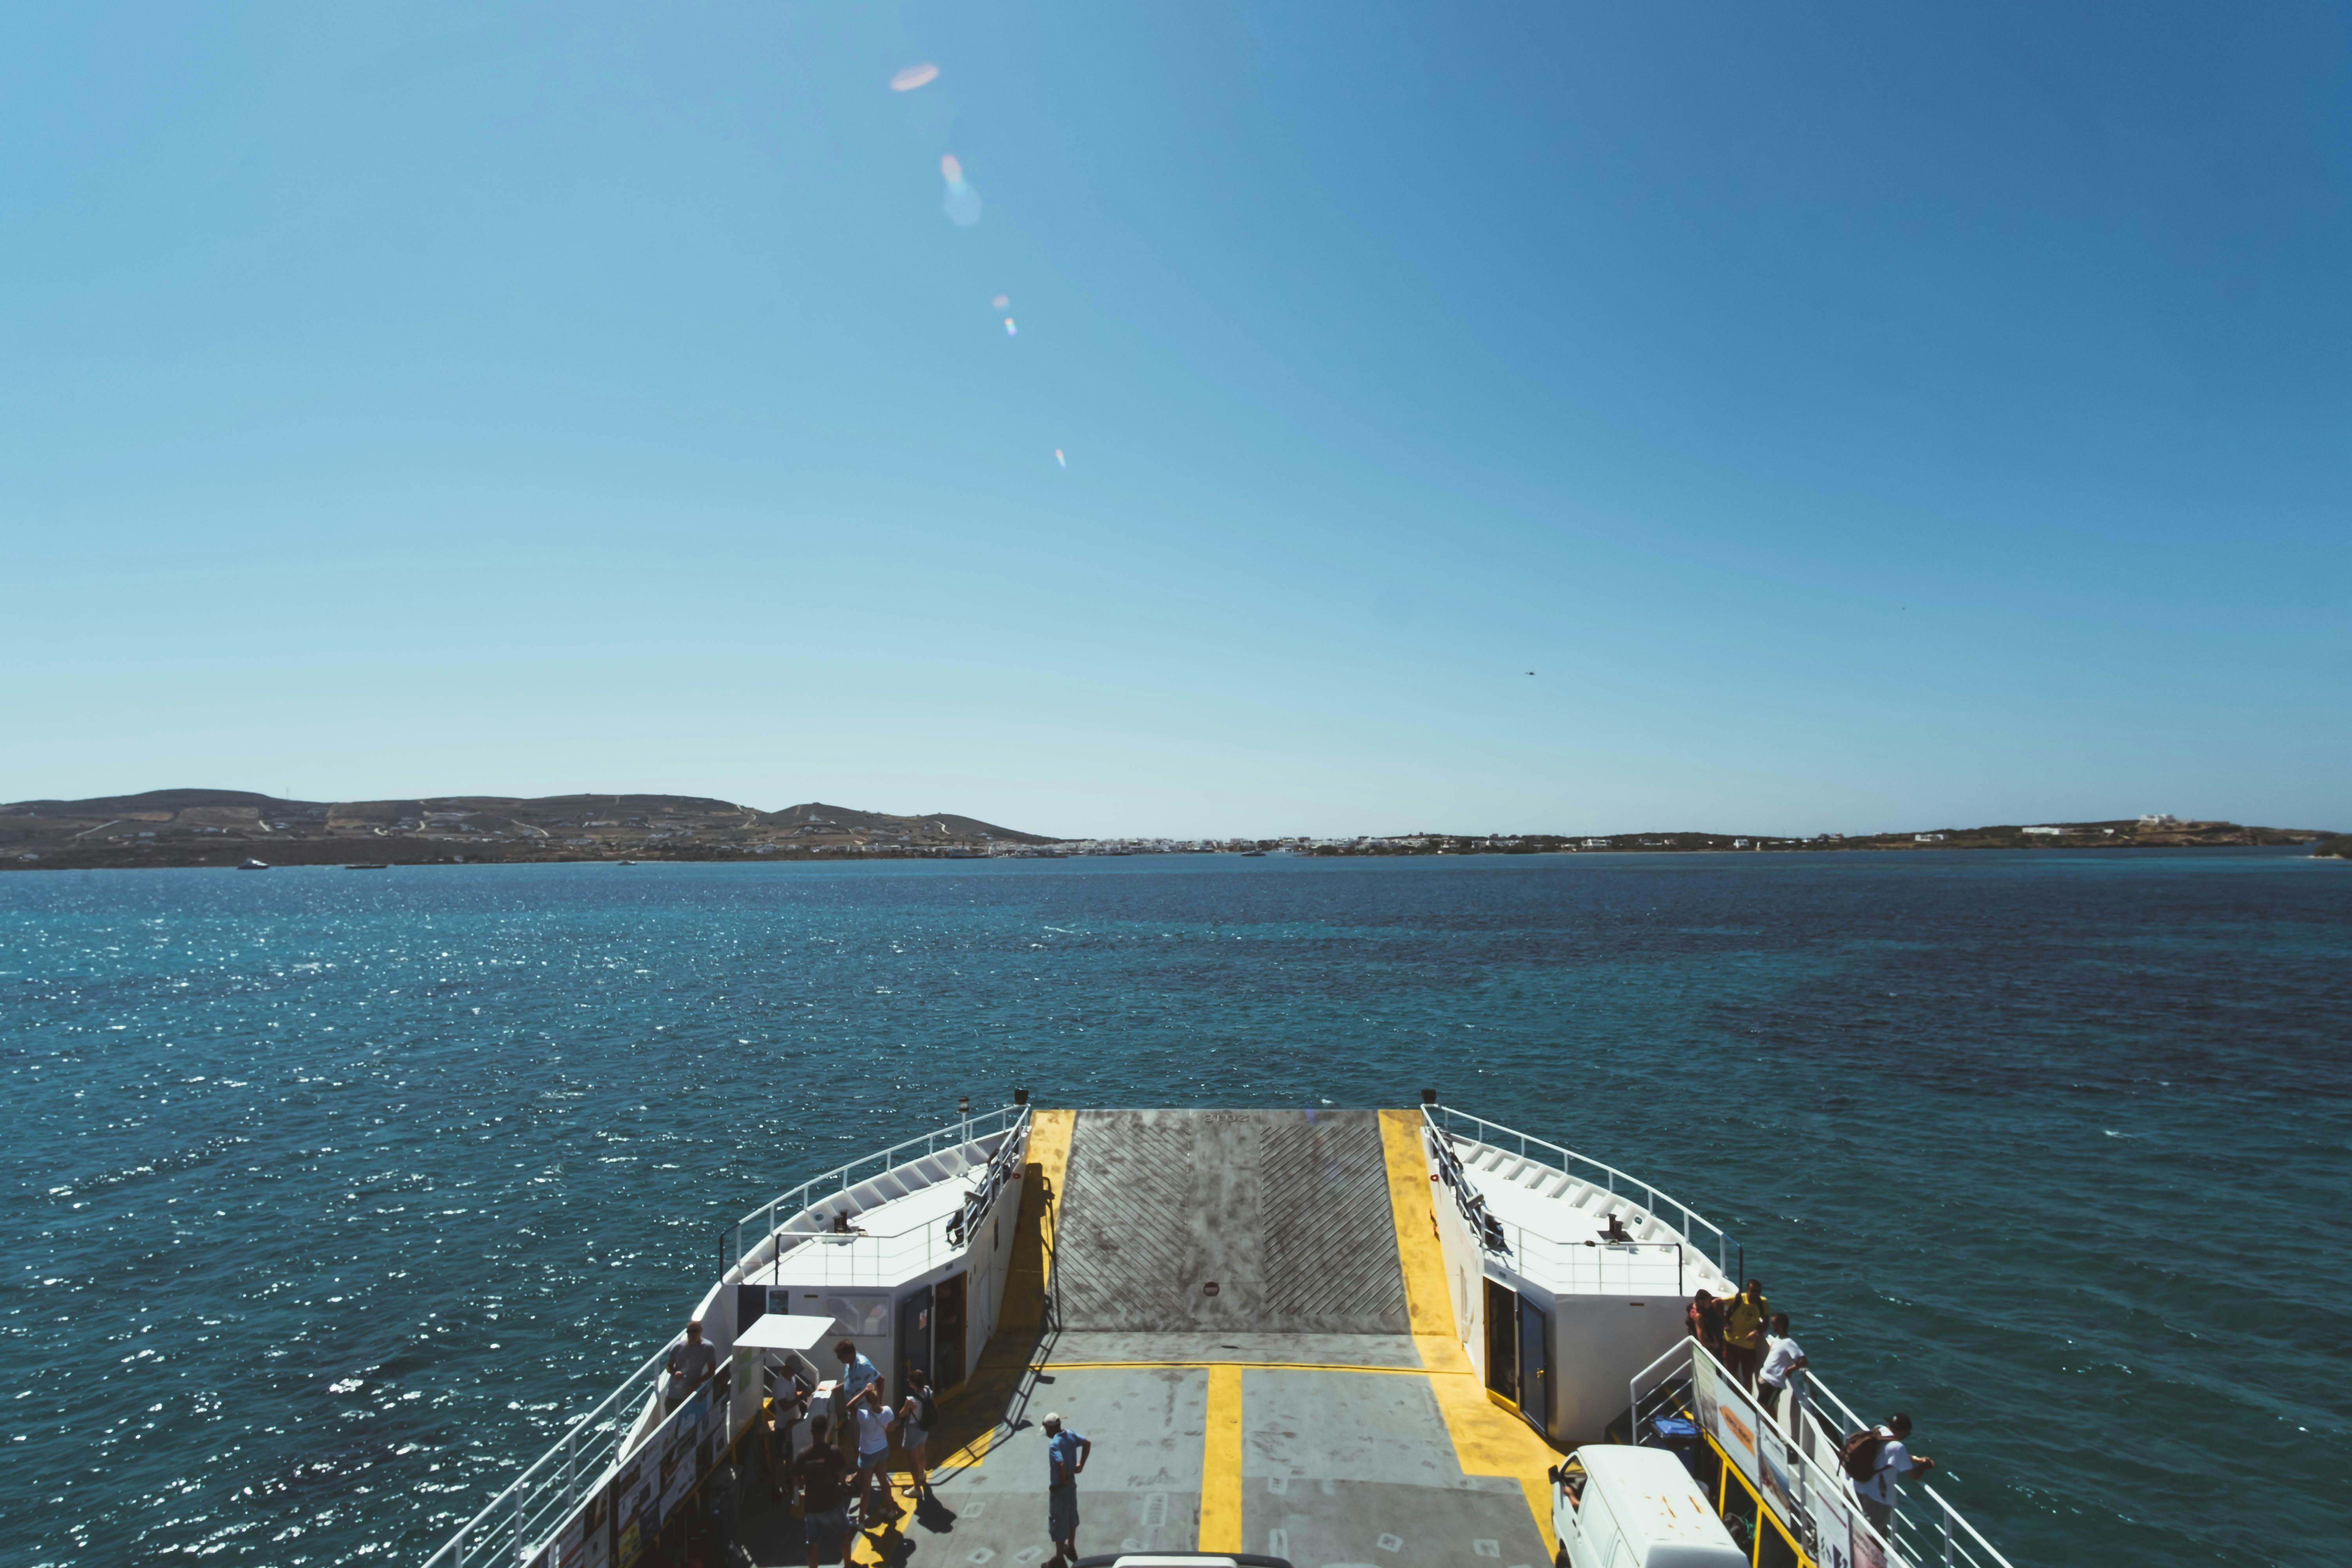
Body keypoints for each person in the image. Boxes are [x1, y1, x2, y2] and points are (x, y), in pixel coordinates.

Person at [1846, 1413, 1934, 1536]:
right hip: (1876, 1497)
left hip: (1857, 1485)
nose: (1907, 1436)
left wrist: (1915, 1459)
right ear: (1903, 1432)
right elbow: (1915, 1475)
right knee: (1872, 1538)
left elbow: (1887, 1454)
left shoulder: (1879, 1430)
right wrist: (1924, 1465)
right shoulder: (1898, 1447)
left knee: (1873, 1530)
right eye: (1908, 1433)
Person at [793, 1415, 857, 1568]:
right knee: (844, 1531)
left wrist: (805, 1480)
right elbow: (842, 1478)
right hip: (832, 1503)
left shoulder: (803, 1455)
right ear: (826, 1430)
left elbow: (796, 1481)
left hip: (812, 1508)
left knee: (812, 1543)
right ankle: (848, 1565)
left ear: (812, 1432)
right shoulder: (834, 1451)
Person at [1041, 1410, 1090, 1567]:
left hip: (1061, 1488)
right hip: (1072, 1484)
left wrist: (1062, 1482)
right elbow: (1087, 1443)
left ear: (1050, 1428)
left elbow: (1060, 1464)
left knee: (1058, 1521)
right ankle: (1072, 1548)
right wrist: (1081, 1465)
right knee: (1071, 1516)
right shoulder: (1070, 1435)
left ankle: (1060, 1559)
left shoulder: (1054, 1444)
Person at [849, 1381, 898, 1523]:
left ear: (868, 1401)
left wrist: (863, 1392)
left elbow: (849, 1406)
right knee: (884, 1481)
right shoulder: (888, 1411)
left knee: (866, 1489)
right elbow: (892, 1428)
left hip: (868, 1455)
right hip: (882, 1450)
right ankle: (890, 1510)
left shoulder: (863, 1416)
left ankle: (860, 1520)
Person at [833, 1339, 881, 1458]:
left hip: (863, 1411)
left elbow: (880, 1380)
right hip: (854, 1411)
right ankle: (861, 1470)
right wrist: (834, 1389)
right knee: (857, 1443)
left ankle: (865, 1473)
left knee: (864, 1445)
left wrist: (878, 1404)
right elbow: (851, 1382)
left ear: (849, 1354)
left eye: (841, 1357)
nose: (840, 1360)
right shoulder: (849, 1365)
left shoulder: (863, 1365)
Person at [897, 1370, 938, 1503]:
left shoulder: (911, 1401)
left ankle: (916, 1488)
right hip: (924, 1428)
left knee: (913, 1460)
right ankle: (922, 1474)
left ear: (913, 1384)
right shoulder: (928, 1391)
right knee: (922, 1452)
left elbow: (901, 1415)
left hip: (913, 1430)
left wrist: (906, 1406)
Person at [1757, 1312, 1807, 1420]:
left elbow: (1803, 1361)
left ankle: (1774, 1433)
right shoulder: (1778, 1339)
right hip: (1765, 1378)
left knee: (1767, 1408)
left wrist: (1790, 1369)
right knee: (1762, 1406)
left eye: (1773, 1323)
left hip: (1773, 1382)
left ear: (1780, 1325)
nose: (1771, 1325)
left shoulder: (1789, 1343)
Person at [1722, 1279, 1769, 1387]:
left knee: (1748, 1376)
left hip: (1749, 1347)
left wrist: (1756, 1333)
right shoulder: (1738, 1299)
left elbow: (1766, 1324)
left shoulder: (1763, 1303)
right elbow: (1716, 1303)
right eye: (1753, 1291)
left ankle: (1746, 1400)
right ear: (1747, 1291)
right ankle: (1737, 1393)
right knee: (1731, 1372)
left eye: (1758, 1292)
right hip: (1731, 1343)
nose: (1755, 1295)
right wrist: (1726, 1323)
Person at [667, 1318, 719, 1410]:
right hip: (673, 1395)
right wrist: (675, 1373)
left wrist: (697, 1383)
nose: (693, 1334)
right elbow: (669, 1367)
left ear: (701, 1331)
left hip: (693, 1394)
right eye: (690, 1331)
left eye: (696, 1331)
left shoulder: (708, 1348)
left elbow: (712, 1371)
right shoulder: (677, 1347)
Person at [1687, 1290, 1727, 1359]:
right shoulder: (1698, 1317)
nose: (1711, 1303)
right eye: (1708, 1301)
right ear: (1700, 1302)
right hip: (1709, 1351)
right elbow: (1703, 1341)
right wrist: (1715, 1345)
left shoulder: (1692, 1308)